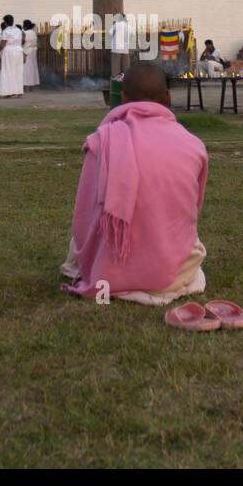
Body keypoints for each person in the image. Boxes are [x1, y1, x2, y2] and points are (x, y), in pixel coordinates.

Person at [60, 61, 208, 304]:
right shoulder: (194, 145)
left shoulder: (101, 141)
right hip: (170, 269)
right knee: (189, 240)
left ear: (124, 98)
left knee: (80, 242)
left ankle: (119, 271)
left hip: (108, 267)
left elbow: (84, 219)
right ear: (168, 98)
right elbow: (192, 211)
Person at [0, 15, 24, 98]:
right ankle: (20, 92)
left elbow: (2, 44)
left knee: (8, 71)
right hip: (18, 51)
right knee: (18, 71)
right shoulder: (18, 30)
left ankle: (10, 92)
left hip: (9, 52)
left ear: (5, 23)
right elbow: (22, 40)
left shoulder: (6, 31)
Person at [110, 14, 131, 78]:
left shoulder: (117, 25)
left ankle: (116, 83)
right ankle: (126, 81)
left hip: (116, 49)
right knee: (126, 68)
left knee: (116, 69)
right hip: (125, 50)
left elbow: (110, 33)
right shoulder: (128, 26)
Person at [22, 19, 40, 89]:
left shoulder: (25, 33)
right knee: (32, 68)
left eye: (23, 24)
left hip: (26, 52)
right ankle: (31, 87)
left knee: (26, 69)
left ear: (25, 25)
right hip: (33, 51)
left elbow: (22, 41)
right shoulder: (33, 33)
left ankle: (26, 86)